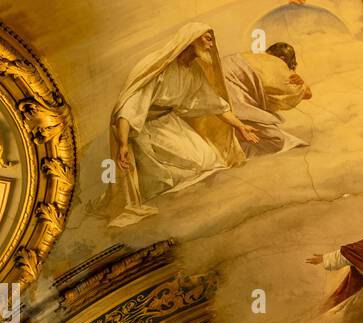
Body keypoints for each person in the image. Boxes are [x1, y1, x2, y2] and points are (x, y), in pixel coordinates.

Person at [107, 22, 260, 227]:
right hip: (144, 129)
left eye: (211, 39)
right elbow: (129, 107)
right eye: (207, 38)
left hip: (170, 123)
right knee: (171, 177)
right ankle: (180, 218)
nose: (211, 45)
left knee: (208, 159)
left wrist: (239, 125)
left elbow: (214, 103)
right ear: (191, 39)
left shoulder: (193, 71)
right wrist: (124, 143)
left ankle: (207, 211)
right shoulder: (158, 66)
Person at [221, 42, 311, 156]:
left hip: (215, 97)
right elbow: (307, 94)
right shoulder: (278, 65)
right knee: (277, 140)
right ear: (283, 59)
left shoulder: (251, 55)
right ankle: (237, 148)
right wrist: (299, 80)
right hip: (231, 104)